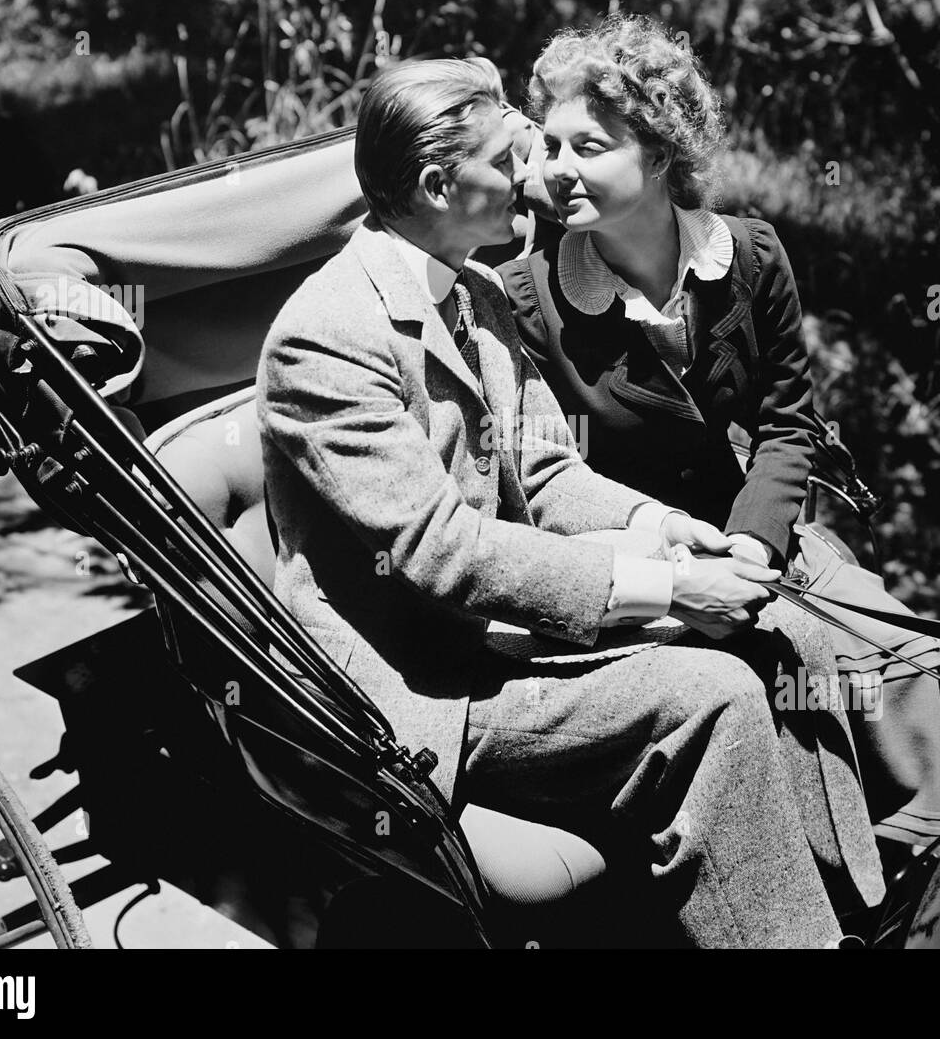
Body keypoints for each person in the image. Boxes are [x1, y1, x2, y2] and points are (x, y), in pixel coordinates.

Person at [256, 57, 880, 946]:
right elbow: (443, 552)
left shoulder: (472, 291)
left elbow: (549, 475)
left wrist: (664, 530)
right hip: (427, 684)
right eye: (511, 159)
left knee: (788, 635)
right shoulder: (327, 337)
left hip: (507, 633)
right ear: (438, 185)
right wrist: (667, 591)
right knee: (710, 693)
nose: (536, 175)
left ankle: (852, 911)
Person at [496, 15, 940, 860]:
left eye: (587, 147)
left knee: (900, 647)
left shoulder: (749, 257)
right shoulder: (525, 300)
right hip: (637, 570)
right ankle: (830, 883)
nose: (555, 173)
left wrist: (752, 542)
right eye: (548, 148)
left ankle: (926, 855)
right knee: (800, 671)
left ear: (663, 150)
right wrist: (682, 570)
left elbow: (789, 427)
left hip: (752, 532)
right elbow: (544, 483)